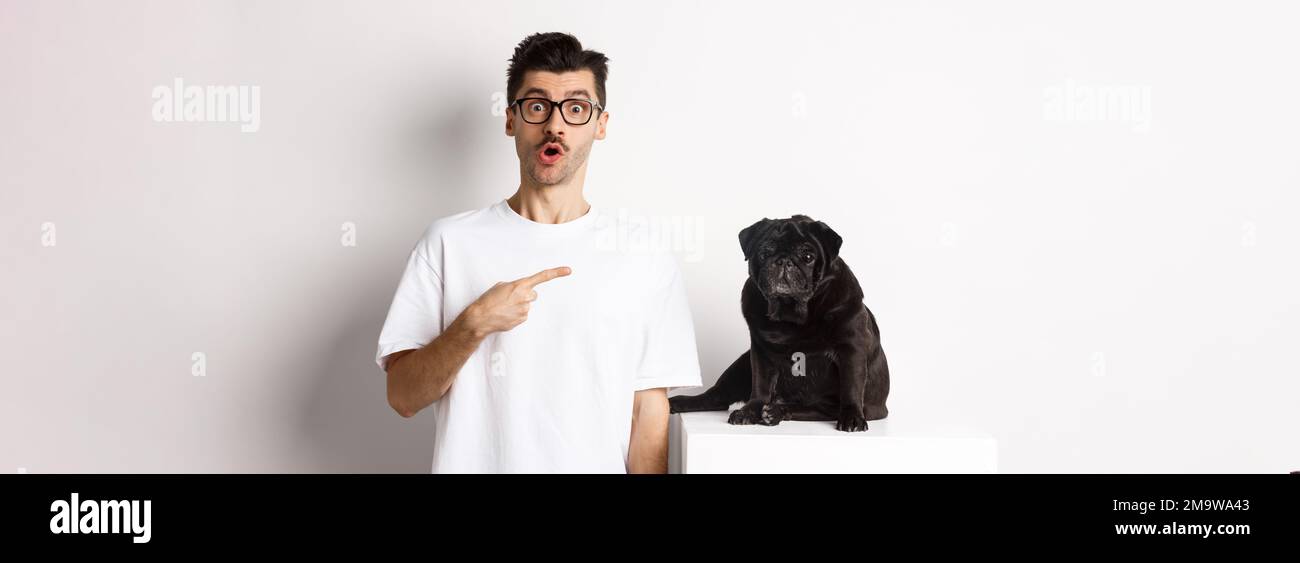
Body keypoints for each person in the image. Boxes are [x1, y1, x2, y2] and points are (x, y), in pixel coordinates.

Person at [375, 32, 702, 473]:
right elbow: (403, 397)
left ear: (600, 125)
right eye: (537, 106)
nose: (555, 125)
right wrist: (471, 325)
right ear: (511, 119)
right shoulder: (448, 243)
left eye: (576, 108)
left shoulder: (644, 255)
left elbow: (647, 413)